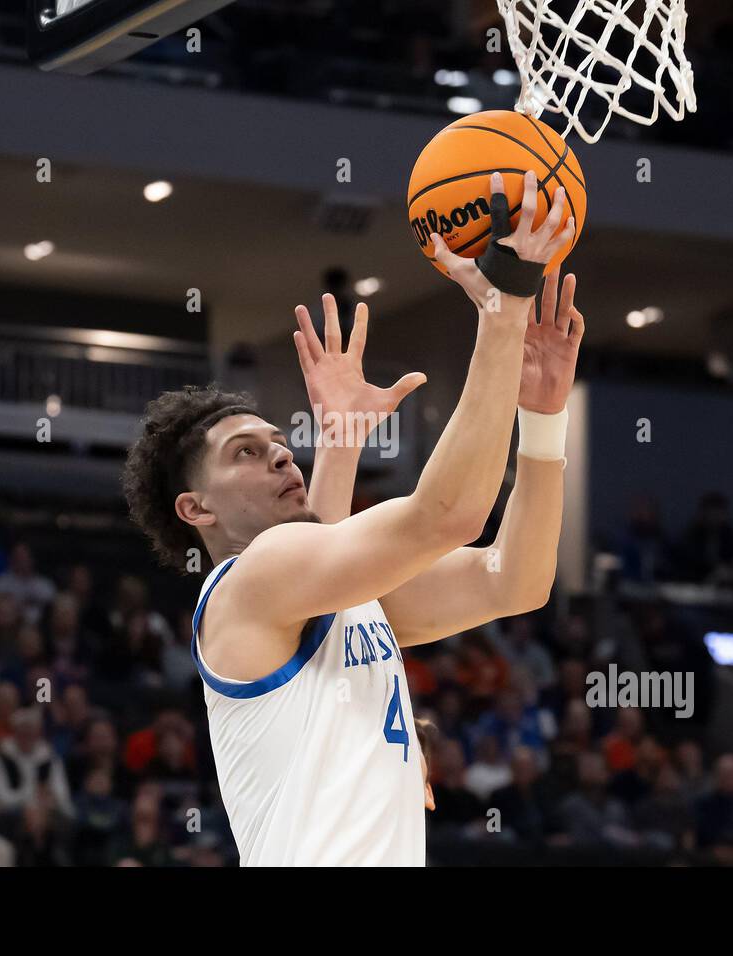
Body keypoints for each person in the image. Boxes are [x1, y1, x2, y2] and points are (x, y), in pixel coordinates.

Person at [122, 172, 577, 865]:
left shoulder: (334, 601)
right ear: (196, 508)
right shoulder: (249, 583)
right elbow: (446, 515)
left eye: (281, 442)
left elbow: (513, 580)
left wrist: (542, 423)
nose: (280, 456)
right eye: (247, 453)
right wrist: (501, 302)